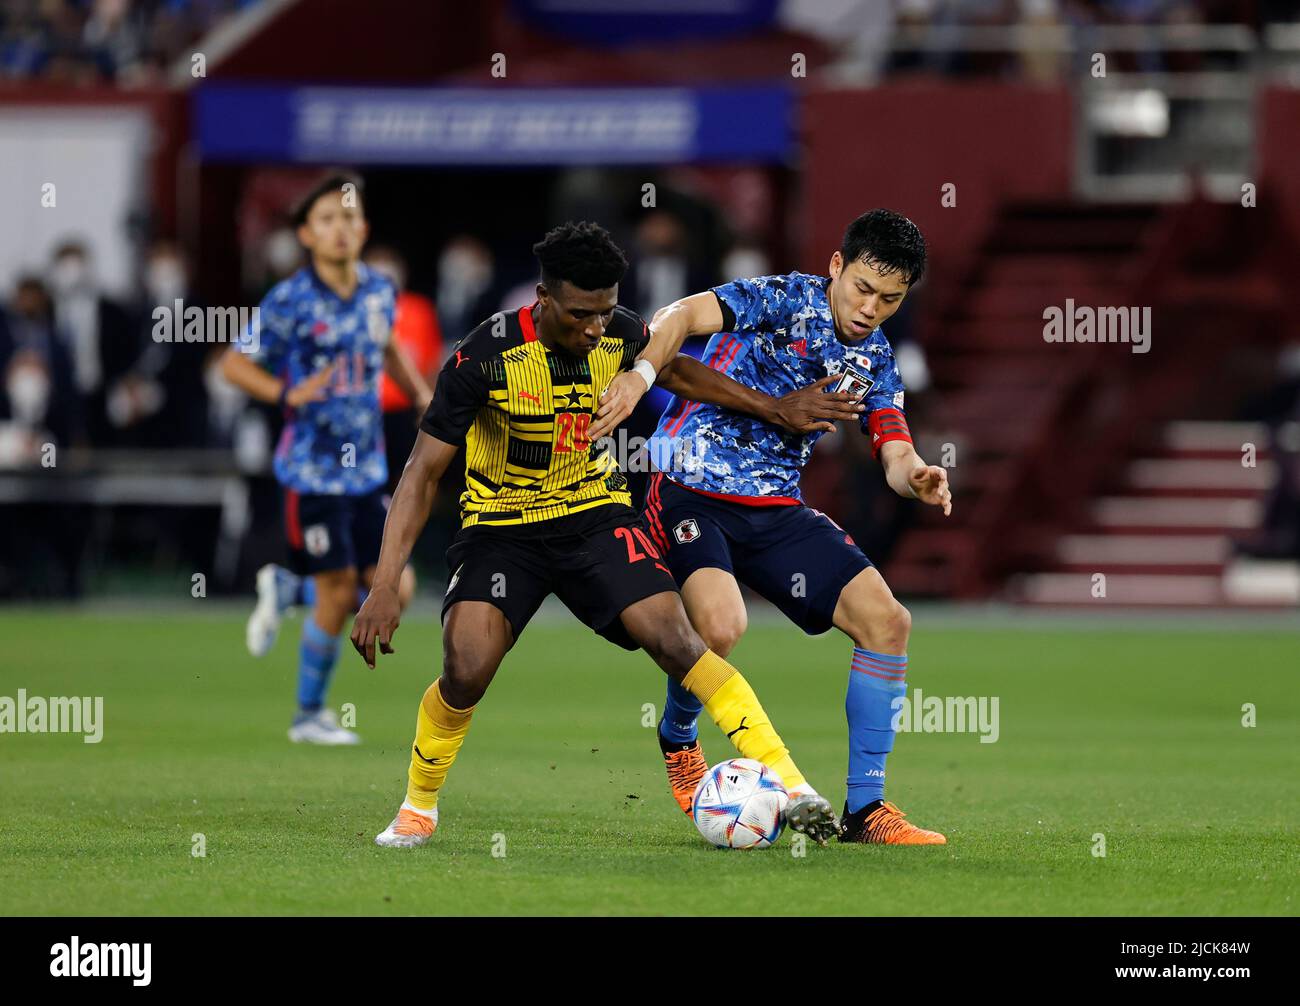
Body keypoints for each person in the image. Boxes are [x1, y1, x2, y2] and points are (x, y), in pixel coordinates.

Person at [350, 221, 858, 848]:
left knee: (681, 640)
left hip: (594, 516)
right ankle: (418, 804)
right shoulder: (483, 356)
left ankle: (795, 785)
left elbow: (674, 371)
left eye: (606, 312)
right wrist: (381, 586)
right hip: (500, 530)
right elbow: (421, 474)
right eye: (579, 314)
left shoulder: (617, 332)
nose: (594, 328)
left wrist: (772, 406)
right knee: (466, 667)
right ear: (543, 297)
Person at [594, 209, 952, 845]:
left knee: (889, 621)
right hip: (687, 485)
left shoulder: (875, 360)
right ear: (837, 267)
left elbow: (893, 447)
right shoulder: (785, 298)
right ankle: (679, 735)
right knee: (721, 626)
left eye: (890, 299)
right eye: (863, 288)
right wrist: (641, 374)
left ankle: (866, 811)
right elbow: (677, 316)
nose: (872, 308)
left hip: (774, 507)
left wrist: (918, 473)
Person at [220, 172, 432, 745]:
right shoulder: (290, 299)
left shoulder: (378, 290)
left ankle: (289, 590)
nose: (340, 229)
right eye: (327, 220)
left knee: (398, 588)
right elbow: (235, 363)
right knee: (341, 591)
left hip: (366, 472)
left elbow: (386, 345)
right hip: (311, 473)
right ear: (307, 235)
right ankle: (307, 715)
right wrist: (285, 394)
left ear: (363, 227)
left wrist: (419, 394)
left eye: (348, 217)